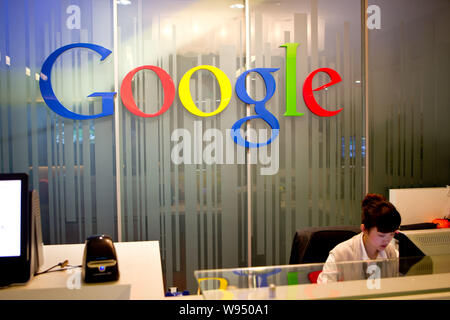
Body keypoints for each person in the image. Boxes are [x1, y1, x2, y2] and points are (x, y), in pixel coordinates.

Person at [317, 193, 401, 284]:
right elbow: (325, 291)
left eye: (392, 234)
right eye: (381, 235)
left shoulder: (391, 253)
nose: (387, 240)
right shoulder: (339, 255)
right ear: (364, 229)